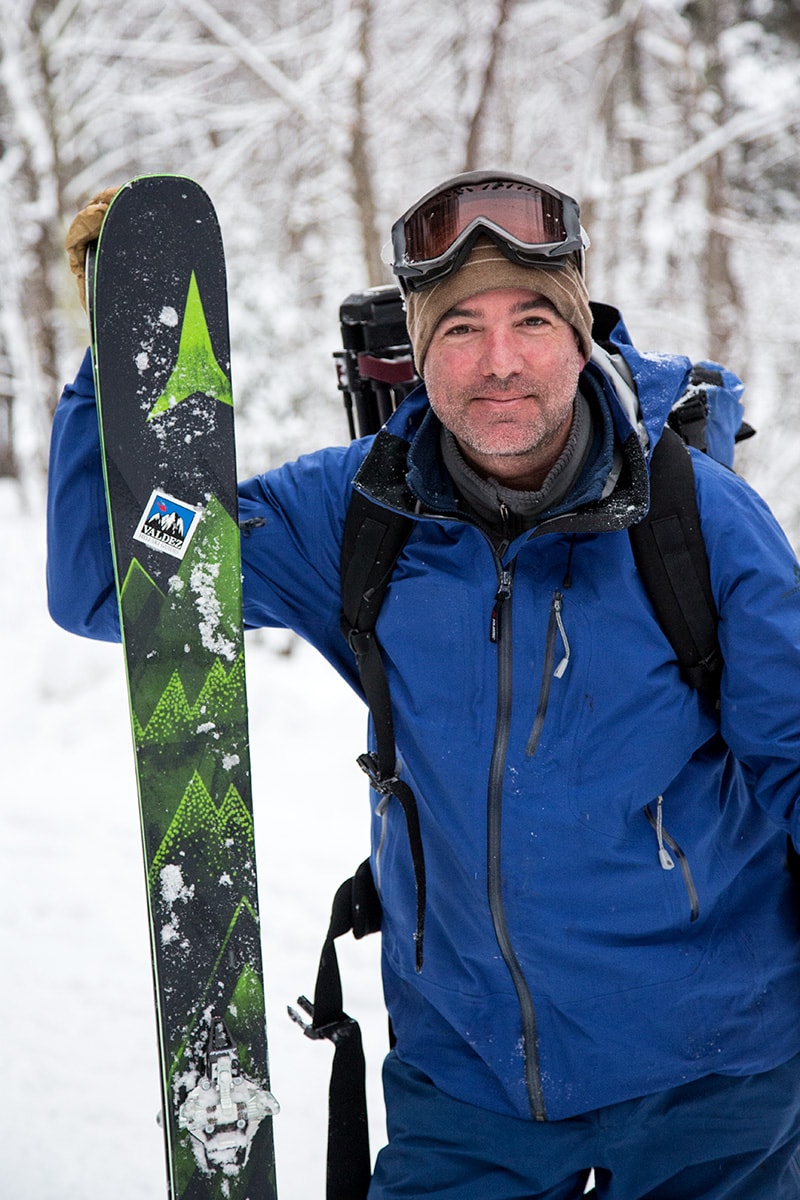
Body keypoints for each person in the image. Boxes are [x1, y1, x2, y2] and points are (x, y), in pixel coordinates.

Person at [47, 171, 800, 1199]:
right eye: (459, 329)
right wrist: (116, 359)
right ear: (417, 347)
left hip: (713, 1081)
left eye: (532, 321)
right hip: (466, 1082)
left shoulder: (696, 521)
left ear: (579, 335)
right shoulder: (356, 514)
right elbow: (115, 587)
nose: (499, 362)